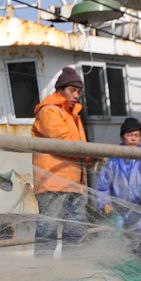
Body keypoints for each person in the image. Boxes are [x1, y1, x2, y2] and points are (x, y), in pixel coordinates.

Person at [32, 66, 90, 257]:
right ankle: (43, 274)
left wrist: (89, 155)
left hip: (74, 183)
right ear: (60, 89)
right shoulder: (49, 111)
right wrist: (91, 154)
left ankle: (70, 272)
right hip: (53, 182)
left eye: (78, 91)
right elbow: (64, 142)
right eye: (72, 90)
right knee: (47, 231)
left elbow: (80, 146)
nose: (76, 95)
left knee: (76, 231)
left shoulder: (74, 115)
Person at [95, 117, 141, 265]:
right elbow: (102, 187)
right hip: (118, 213)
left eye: (136, 135)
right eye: (129, 135)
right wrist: (105, 204)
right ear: (122, 136)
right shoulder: (113, 159)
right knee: (122, 248)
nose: (133, 138)